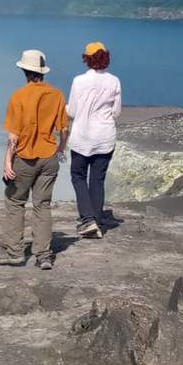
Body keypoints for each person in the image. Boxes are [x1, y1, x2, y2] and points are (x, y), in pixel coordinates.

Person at [0, 49, 69, 270]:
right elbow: (64, 129)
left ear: (24, 71)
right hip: (49, 157)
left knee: (15, 201)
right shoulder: (56, 95)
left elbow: (13, 136)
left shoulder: (18, 96)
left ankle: (15, 253)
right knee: (42, 205)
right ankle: (43, 256)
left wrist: (7, 162)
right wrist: (61, 148)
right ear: (42, 72)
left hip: (25, 158)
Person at [66, 41, 122, 239]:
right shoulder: (114, 81)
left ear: (87, 58)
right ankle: (96, 219)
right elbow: (116, 112)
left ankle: (88, 219)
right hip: (105, 136)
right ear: (105, 57)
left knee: (78, 176)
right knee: (97, 179)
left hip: (82, 136)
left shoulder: (78, 81)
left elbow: (71, 111)